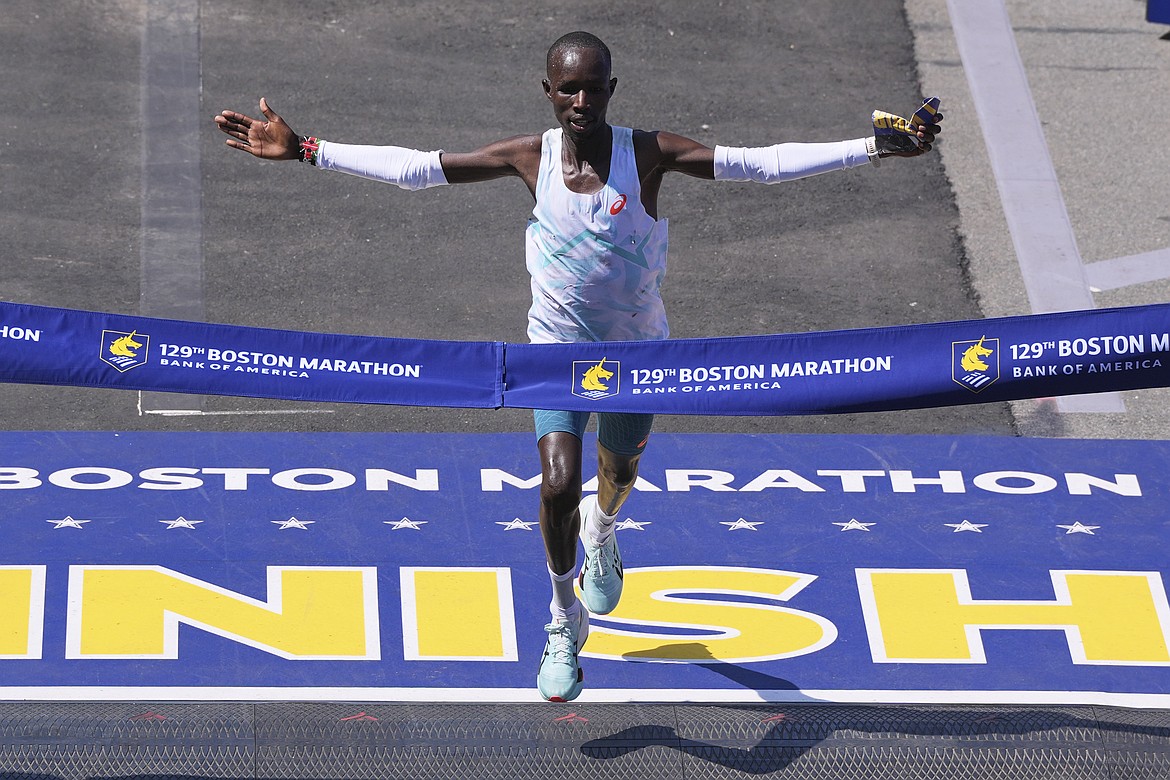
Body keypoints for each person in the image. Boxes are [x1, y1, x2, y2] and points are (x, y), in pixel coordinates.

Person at [214, 30, 941, 702]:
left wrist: (876, 147)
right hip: (554, 357)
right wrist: (305, 149)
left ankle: (605, 529)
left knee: (614, 480)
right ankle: (564, 620)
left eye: (594, 88)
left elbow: (760, 164)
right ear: (548, 92)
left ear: (612, 90)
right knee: (558, 482)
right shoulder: (528, 159)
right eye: (569, 89)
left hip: (638, 359)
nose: (582, 101)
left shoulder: (647, 154)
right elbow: (417, 171)